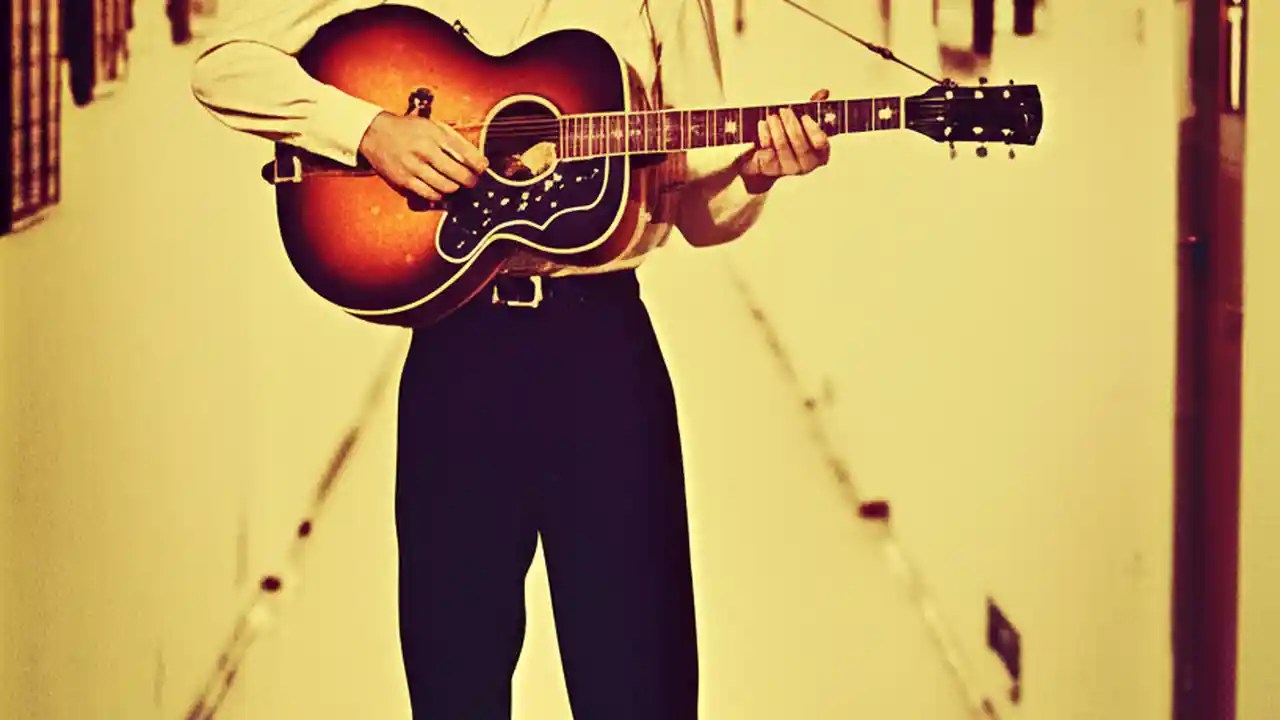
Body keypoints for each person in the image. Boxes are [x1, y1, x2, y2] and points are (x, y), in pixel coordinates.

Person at [190, 1, 831, 717]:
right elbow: (225, 67)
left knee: (639, 674)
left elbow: (697, 216)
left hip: (602, 356)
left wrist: (757, 175)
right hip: (457, 355)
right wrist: (367, 131)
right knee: (453, 670)